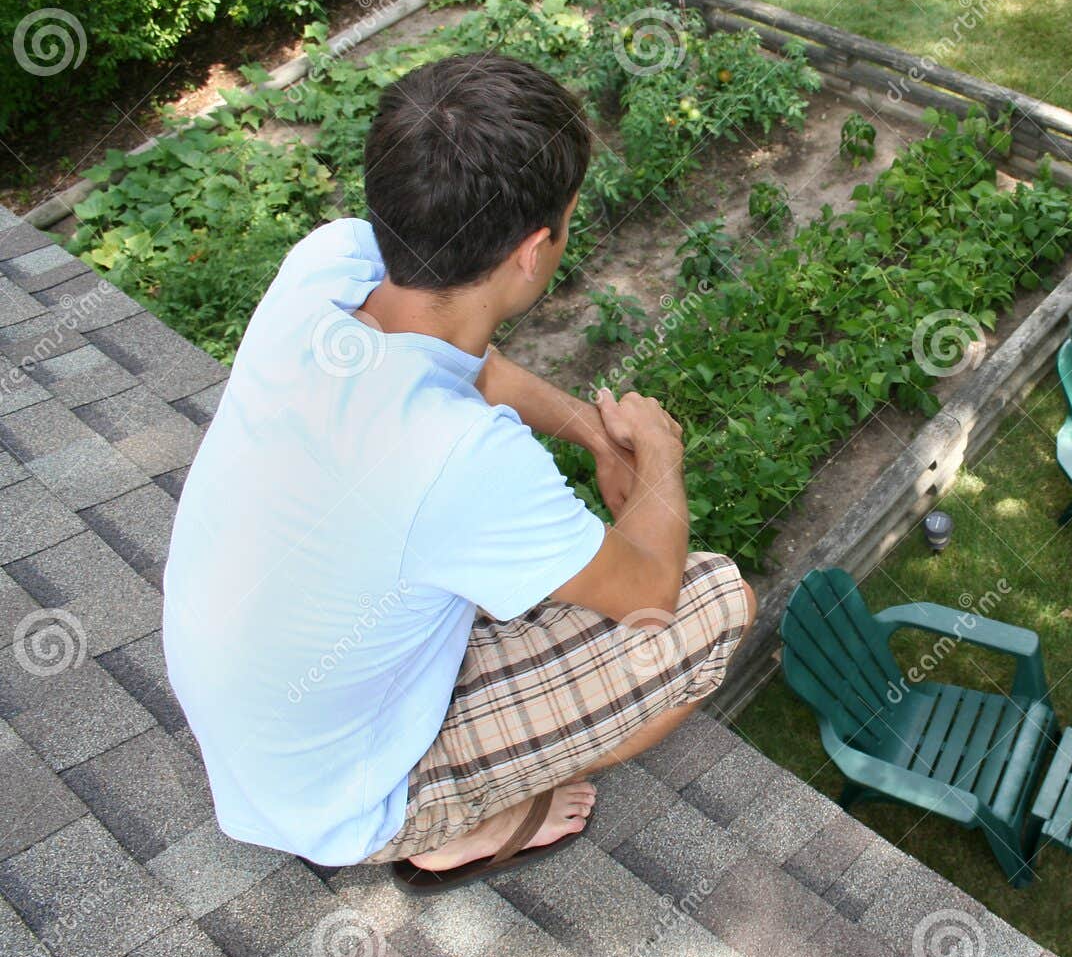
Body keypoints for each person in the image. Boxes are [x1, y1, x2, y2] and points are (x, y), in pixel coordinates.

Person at [163, 52, 754, 893]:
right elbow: (650, 592)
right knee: (718, 602)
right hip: (335, 797)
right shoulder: (460, 457)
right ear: (534, 249)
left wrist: (593, 433)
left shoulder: (330, 266)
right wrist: (658, 454)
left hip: (255, 725)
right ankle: (460, 826)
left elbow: (461, 361)